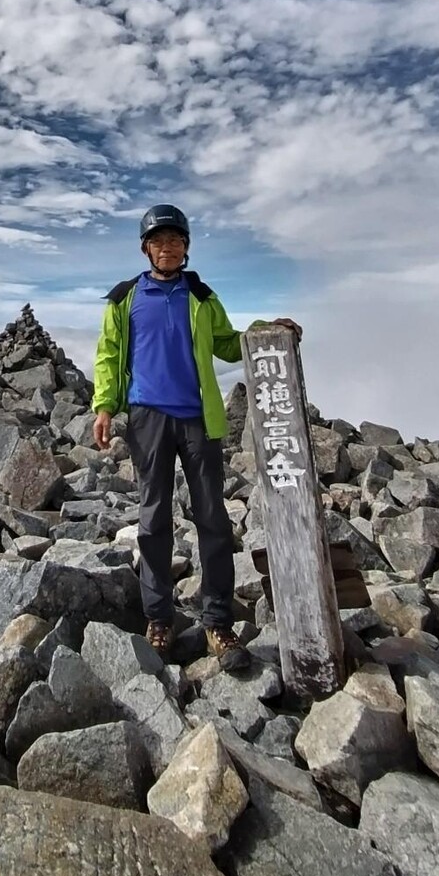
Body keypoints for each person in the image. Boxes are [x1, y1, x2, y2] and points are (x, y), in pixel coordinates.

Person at [92, 203, 302, 661]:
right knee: (153, 518)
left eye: (175, 241)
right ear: (146, 249)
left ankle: (217, 622)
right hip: (147, 418)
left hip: (198, 419)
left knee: (213, 518)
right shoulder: (125, 298)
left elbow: (227, 343)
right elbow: (109, 355)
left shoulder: (201, 296)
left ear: (185, 248)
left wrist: (267, 331)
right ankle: (159, 617)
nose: (167, 248)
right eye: (158, 241)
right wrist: (104, 406)